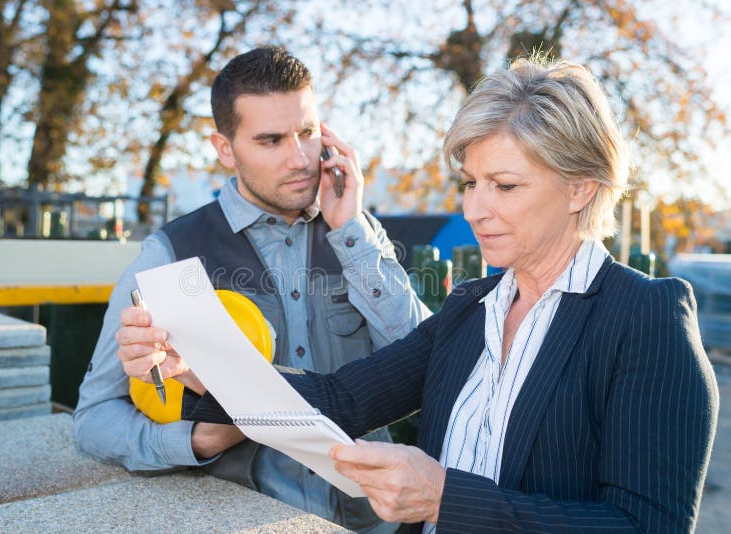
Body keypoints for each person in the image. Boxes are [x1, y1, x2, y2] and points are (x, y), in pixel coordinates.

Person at [169, 57, 719, 532]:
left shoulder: (646, 318)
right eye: (470, 183)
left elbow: (647, 526)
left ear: (581, 188)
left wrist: (444, 499)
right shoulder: (469, 308)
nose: (474, 210)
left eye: (505, 185)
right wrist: (197, 364)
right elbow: (339, 399)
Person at [73, 46, 430, 532]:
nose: (299, 158)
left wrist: (352, 234)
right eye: (270, 140)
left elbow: (427, 360)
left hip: (370, 524)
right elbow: (93, 418)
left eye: (307, 132)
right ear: (225, 149)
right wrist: (195, 442)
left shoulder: (358, 236)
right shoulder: (170, 254)